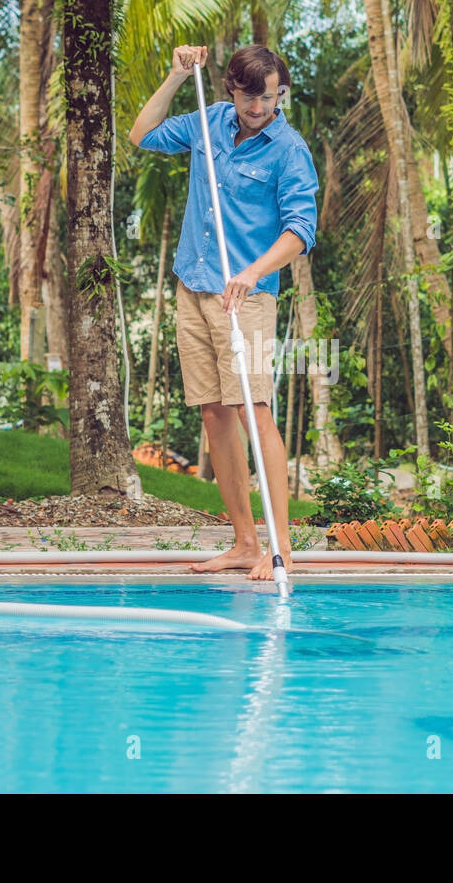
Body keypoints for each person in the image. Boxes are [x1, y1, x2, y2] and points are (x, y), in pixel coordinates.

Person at [128, 44, 319, 580]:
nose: (260, 105)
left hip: (248, 297)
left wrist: (253, 271)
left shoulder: (288, 149)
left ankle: (279, 547)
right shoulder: (208, 121)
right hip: (194, 282)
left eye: (270, 95)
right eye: (250, 95)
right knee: (213, 411)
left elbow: (301, 230)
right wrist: (173, 76)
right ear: (231, 89)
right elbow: (140, 135)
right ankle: (242, 542)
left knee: (254, 410)